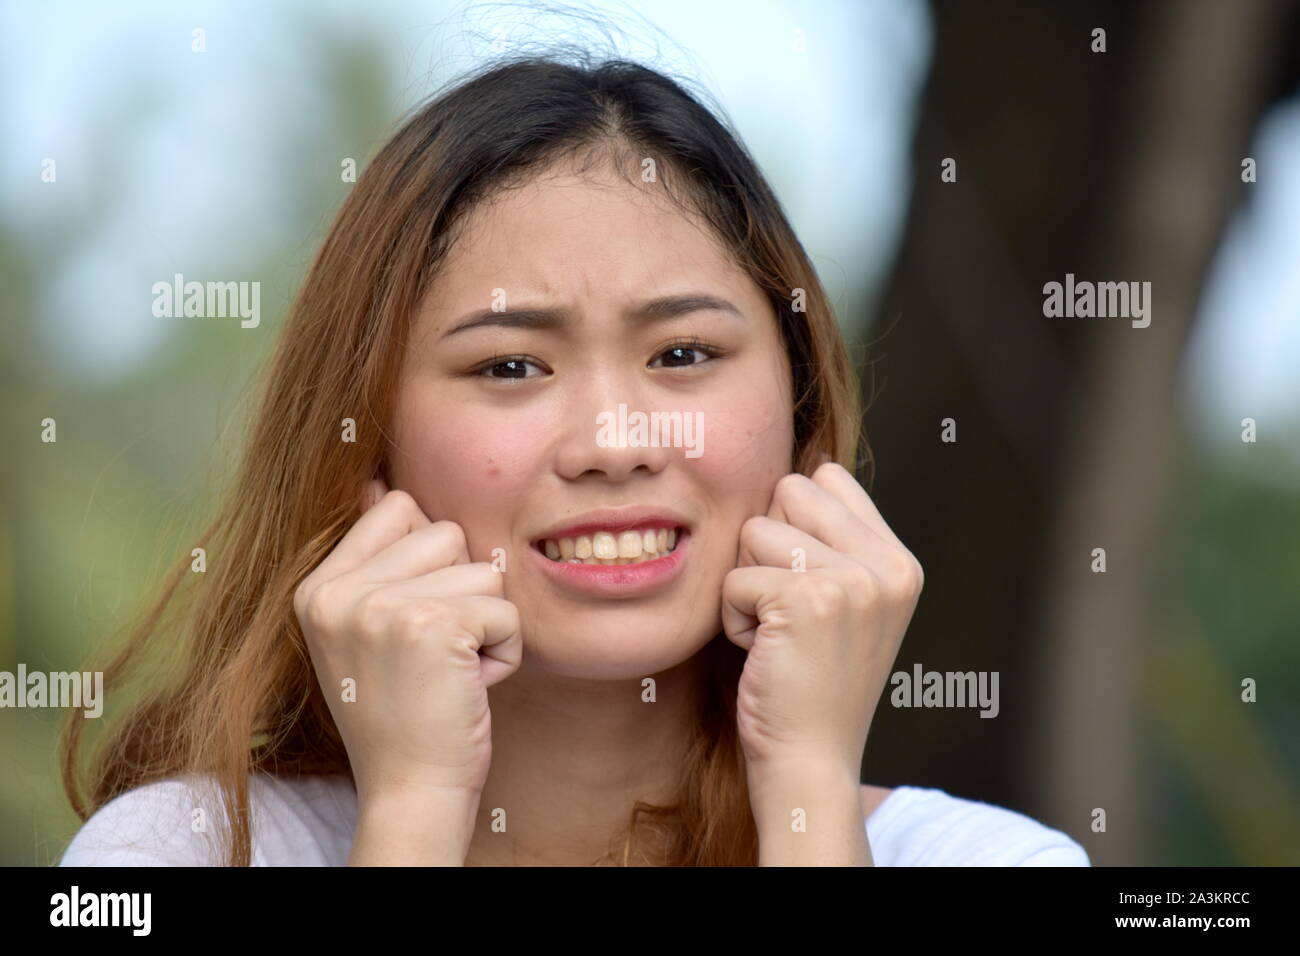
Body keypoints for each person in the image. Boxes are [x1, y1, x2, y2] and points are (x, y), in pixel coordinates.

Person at [58, 55, 1089, 867]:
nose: (613, 443)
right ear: (365, 431)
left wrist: (810, 786)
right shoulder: (181, 850)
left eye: (682, 354)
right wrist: (415, 809)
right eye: (510, 364)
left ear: (798, 402)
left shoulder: (985, 858)